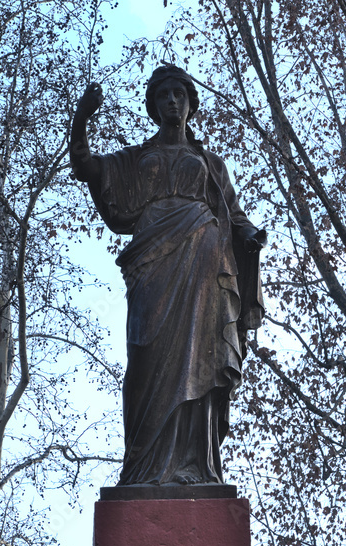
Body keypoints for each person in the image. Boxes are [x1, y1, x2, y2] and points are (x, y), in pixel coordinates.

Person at [70, 65, 265, 486]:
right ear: (153, 106)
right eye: (163, 96)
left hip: (205, 263)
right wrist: (81, 120)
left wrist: (250, 236)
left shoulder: (210, 164)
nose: (172, 101)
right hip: (153, 263)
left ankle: (194, 465)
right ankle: (143, 466)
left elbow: (233, 215)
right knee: (145, 357)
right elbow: (86, 166)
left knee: (200, 357)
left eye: (179, 94)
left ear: (191, 104)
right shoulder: (136, 160)